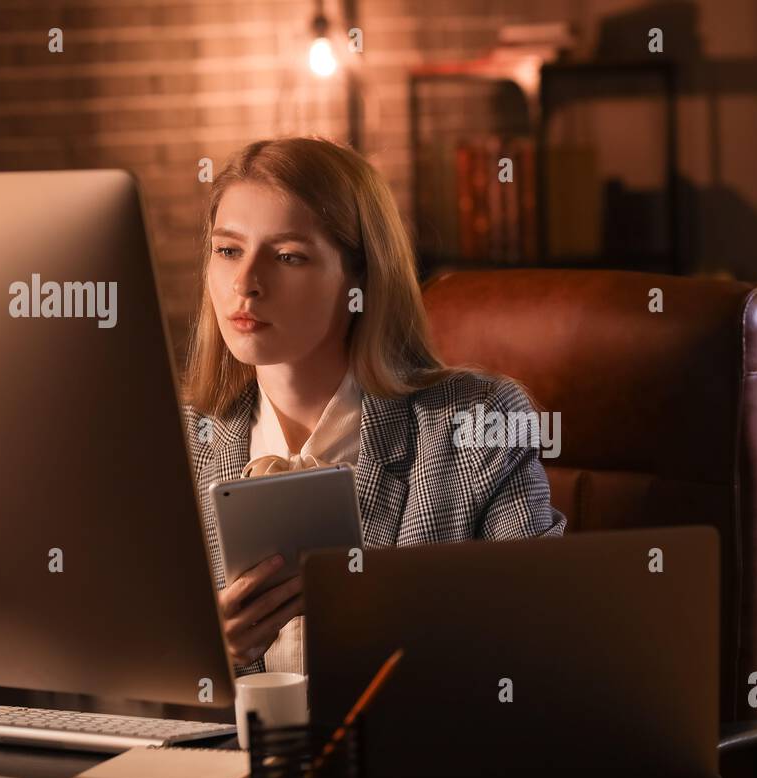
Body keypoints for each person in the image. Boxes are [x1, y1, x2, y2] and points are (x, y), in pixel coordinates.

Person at [180, 136, 565, 675]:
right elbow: (118, 667)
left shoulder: (479, 421)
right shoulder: (179, 438)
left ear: (360, 277)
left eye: (288, 256)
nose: (245, 283)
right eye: (228, 250)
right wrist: (200, 656)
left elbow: (546, 641)